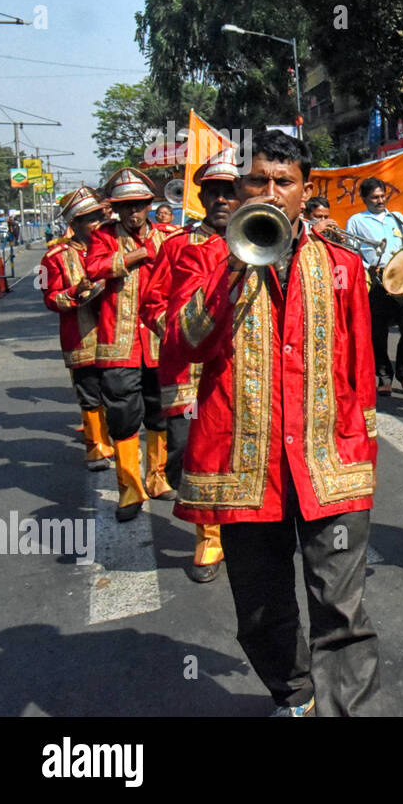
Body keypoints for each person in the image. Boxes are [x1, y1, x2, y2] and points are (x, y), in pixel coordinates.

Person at [163, 129, 380, 716]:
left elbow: (361, 365)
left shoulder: (342, 265)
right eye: (258, 180)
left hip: (329, 463)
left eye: (284, 182)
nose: (271, 191)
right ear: (238, 189)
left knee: (342, 609)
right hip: (244, 468)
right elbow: (181, 344)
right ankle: (295, 696)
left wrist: (363, 447)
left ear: (304, 190)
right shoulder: (203, 258)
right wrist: (233, 269)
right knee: (261, 611)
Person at [139, 152, 240, 584]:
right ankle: (207, 526)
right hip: (187, 375)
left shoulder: (260, 242)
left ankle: (215, 537)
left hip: (239, 372)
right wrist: (181, 335)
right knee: (187, 453)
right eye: (213, 192)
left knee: (238, 451)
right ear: (200, 197)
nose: (221, 199)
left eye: (229, 192)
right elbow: (151, 302)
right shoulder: (177, 245)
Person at [84, 167, 181, 521]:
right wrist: (131, 258)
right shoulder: (104, 237)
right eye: (126, 207)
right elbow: (92, 269)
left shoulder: (169, 236)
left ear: (149, 204)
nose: (133, 213)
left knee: (160, 412)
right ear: (117, 209)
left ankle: (157, 478)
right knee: (123, 416)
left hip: (158, 342)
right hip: (118, 344)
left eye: (139, 205)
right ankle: (129, 488)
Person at [41, 186, 114, 471]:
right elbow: (50, 298)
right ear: (74, 225)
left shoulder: (115, 247)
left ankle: (120, 442)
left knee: (120, 393)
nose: (97, 223)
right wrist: (75, 292)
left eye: (98, 216)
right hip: (81, 337)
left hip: (118, 333)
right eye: (90, 219)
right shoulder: (54, 257)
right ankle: (96, 448)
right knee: (90, 393)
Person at [347, 177, 403, 394]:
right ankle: (384, 376)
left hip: (402, 281)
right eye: (375, 197)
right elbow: (352, 253)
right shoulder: (356, 221)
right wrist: (367, 266)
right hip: (377, 283)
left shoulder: (397, 217)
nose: (380, 201)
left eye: (382, 196)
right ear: (364, 198)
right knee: (378, 332)